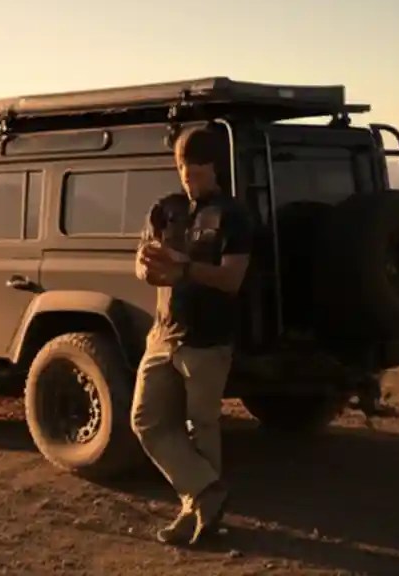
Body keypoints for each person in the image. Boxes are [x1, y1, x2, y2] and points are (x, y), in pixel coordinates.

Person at [131, 124, 253, 547]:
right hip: (163, 335)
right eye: (182, 167)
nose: (187, 176)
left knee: (201, 426)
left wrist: (184, 268)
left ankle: (199, 516)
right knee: (146, 420)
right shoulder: (165, 209)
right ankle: (205, 493)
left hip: (207, 341)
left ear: (214, 167)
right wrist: (147, 268)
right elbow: (142, 263)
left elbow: (232, 279)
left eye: (196, 169)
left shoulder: (233, 215)